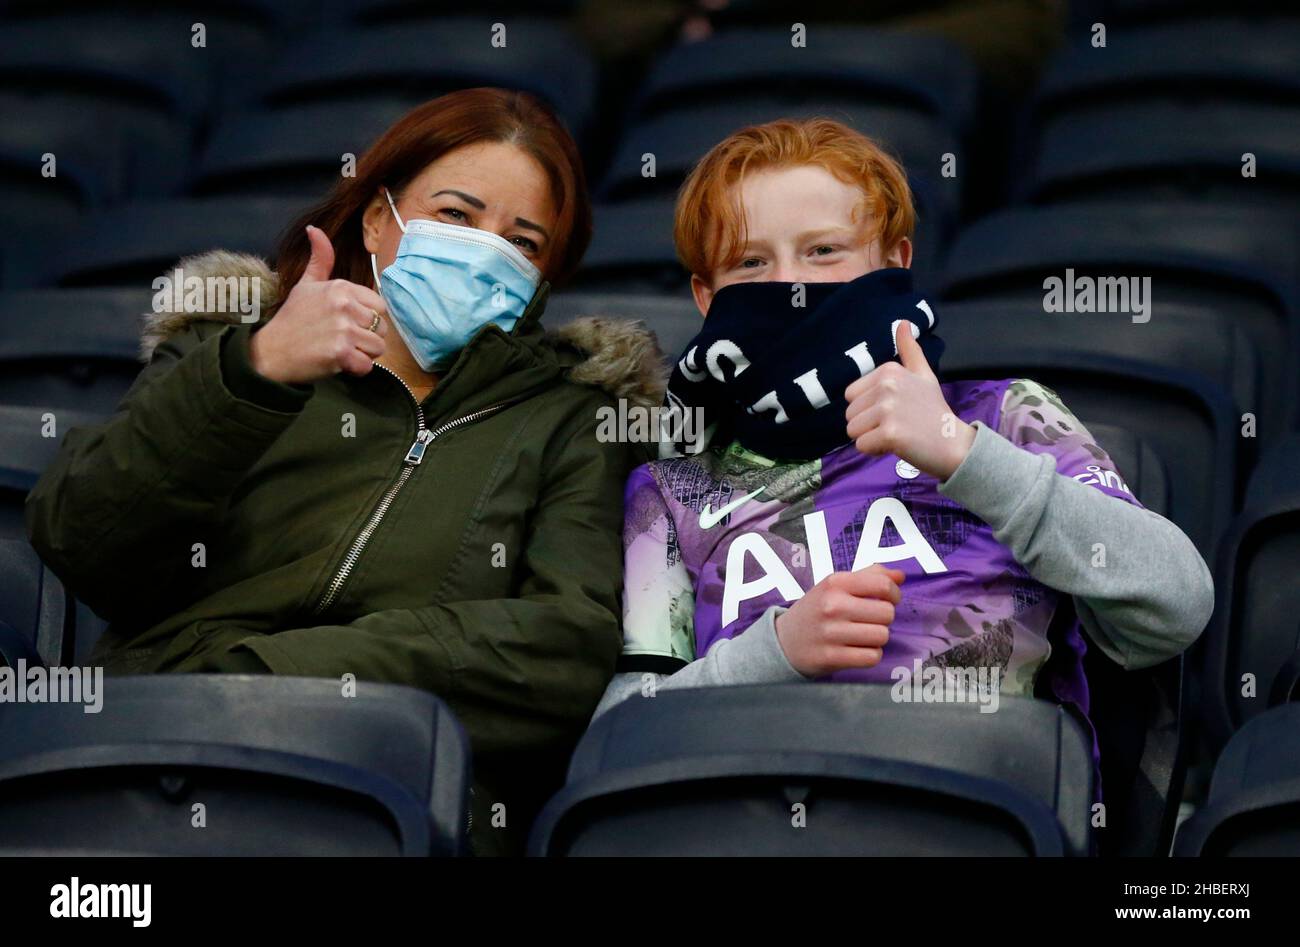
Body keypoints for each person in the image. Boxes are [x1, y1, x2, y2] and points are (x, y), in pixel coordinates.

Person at [25, 88, 664, 856]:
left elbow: (564, 646)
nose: (485, 251)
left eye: (522, 242)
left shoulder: (572, 418)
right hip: (150, 769)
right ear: (376, 219)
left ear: (544, 277)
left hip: (384, 796)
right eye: (456, 215)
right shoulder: (230, 350)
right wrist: (255, 372)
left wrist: (266, 677)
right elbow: (81, 535)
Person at [592, 119, 1214, 781]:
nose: (790, 283)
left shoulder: (1004, 415)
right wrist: (774, 652)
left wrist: (963, 454)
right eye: (751, 263)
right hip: (747, 812)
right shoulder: (672, 491)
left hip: (975, 804)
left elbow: (1177, 603)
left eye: (824, 250)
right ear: (706, 295)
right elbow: (617, 736)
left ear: (894, 262)